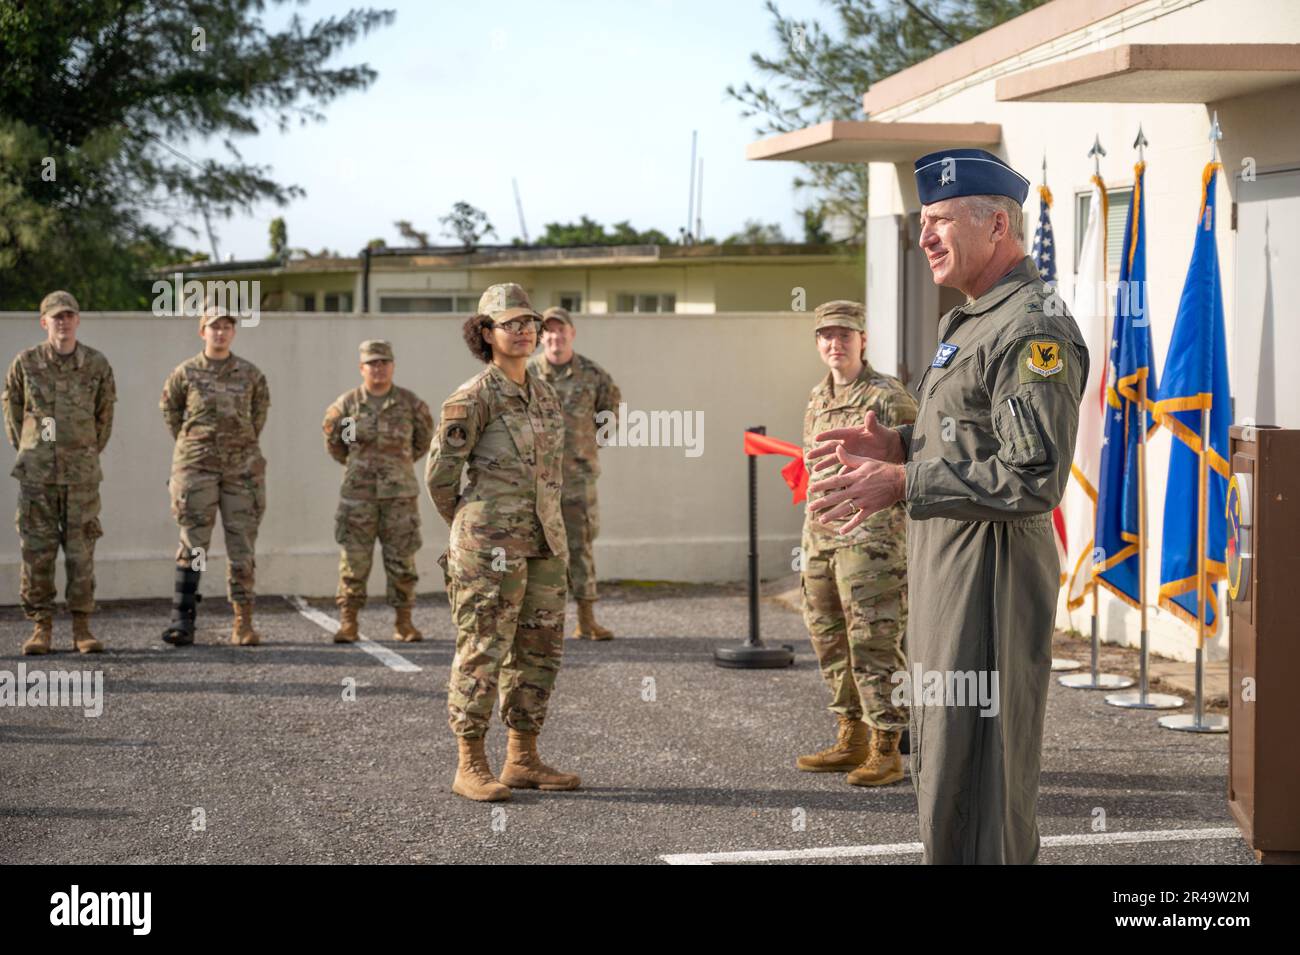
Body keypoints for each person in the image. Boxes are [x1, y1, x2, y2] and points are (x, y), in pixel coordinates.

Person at [807, 148, 1086, 864]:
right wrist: (899, 443)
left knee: (983, 778)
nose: (925, 236)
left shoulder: (1033, 327)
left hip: (989, 582)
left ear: (997, 225)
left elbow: (1035, 475)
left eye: (939, 221)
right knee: (942, 767)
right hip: (946, 572)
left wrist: (906, 483)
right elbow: (969, 434)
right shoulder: (967, 321)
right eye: (921, 223)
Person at [426, 283, 578, 802]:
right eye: (510, 324)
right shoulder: (471, 398)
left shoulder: (545, 394)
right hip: (489, 547)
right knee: (483, 649)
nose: (524, 331)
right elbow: (439, 478)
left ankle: (522, 759)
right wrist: (472, 527)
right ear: (485, 333)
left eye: (529, 322)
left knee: (539, 651)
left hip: (543, 543)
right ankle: (470, 765)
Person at [797, 300, 915, 786]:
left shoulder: (887, 396)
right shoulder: (817, 397)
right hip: (820, 537)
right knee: (828, 637)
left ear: (863, 339)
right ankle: (852, 737)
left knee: (874, 641)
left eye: (844, 335)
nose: (834, 344)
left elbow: (915, 464)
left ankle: (887, 745)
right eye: (826, 335)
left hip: (873, 541)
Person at [3, 291, 116, 654]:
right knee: (38, 552)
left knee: (81, 552)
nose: (63, 322)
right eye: (56, 317)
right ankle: (41, 627)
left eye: (69, 316)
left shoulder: (96, 365)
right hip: (37, 476)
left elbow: (104, 416)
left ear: (77, 320)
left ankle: (82, 627)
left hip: (81, 475)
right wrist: (33, 450)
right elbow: (14, 411)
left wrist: (82, 451)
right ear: (44, 322)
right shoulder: (26, 363)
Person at [159, 303, 270, 647]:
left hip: (242, 471)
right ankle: (183, 619)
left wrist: (237, 447)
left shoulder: (251, 375)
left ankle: (243, 621)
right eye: (213, 326)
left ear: (233, 331)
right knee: (194, 544)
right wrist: (196, 446)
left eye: (226, 326)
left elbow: (258, 416)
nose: (220, 332)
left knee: (242, 546)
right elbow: (171, 412)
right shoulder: (186, 373)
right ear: (202, 331)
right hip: (196, 469)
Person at [322, 340, 433, 643]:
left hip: (400, 498)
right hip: (358, 498)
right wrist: (359, 467)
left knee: (402, 561)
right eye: (372, 363)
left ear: (393, 366)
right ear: (362, 368)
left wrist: (397, 467)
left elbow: (423, 441)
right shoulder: (345, 407)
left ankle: (404, 623)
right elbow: (335, 445)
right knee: (353, 563)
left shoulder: (411, 405)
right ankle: (348, 623)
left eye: (384, 362)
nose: (379, 368)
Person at [527, 306, 622, 640]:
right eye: (549, 331)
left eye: (561, 330)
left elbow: (610, 414)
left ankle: (586, 619)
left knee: (580, 547)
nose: (555, 337)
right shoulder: (526, 375)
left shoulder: (592, 375)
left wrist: (585, 449)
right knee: (538, 550)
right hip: (535, 481)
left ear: (572, 333)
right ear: (541, 337)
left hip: (577, 479)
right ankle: (542, 622)